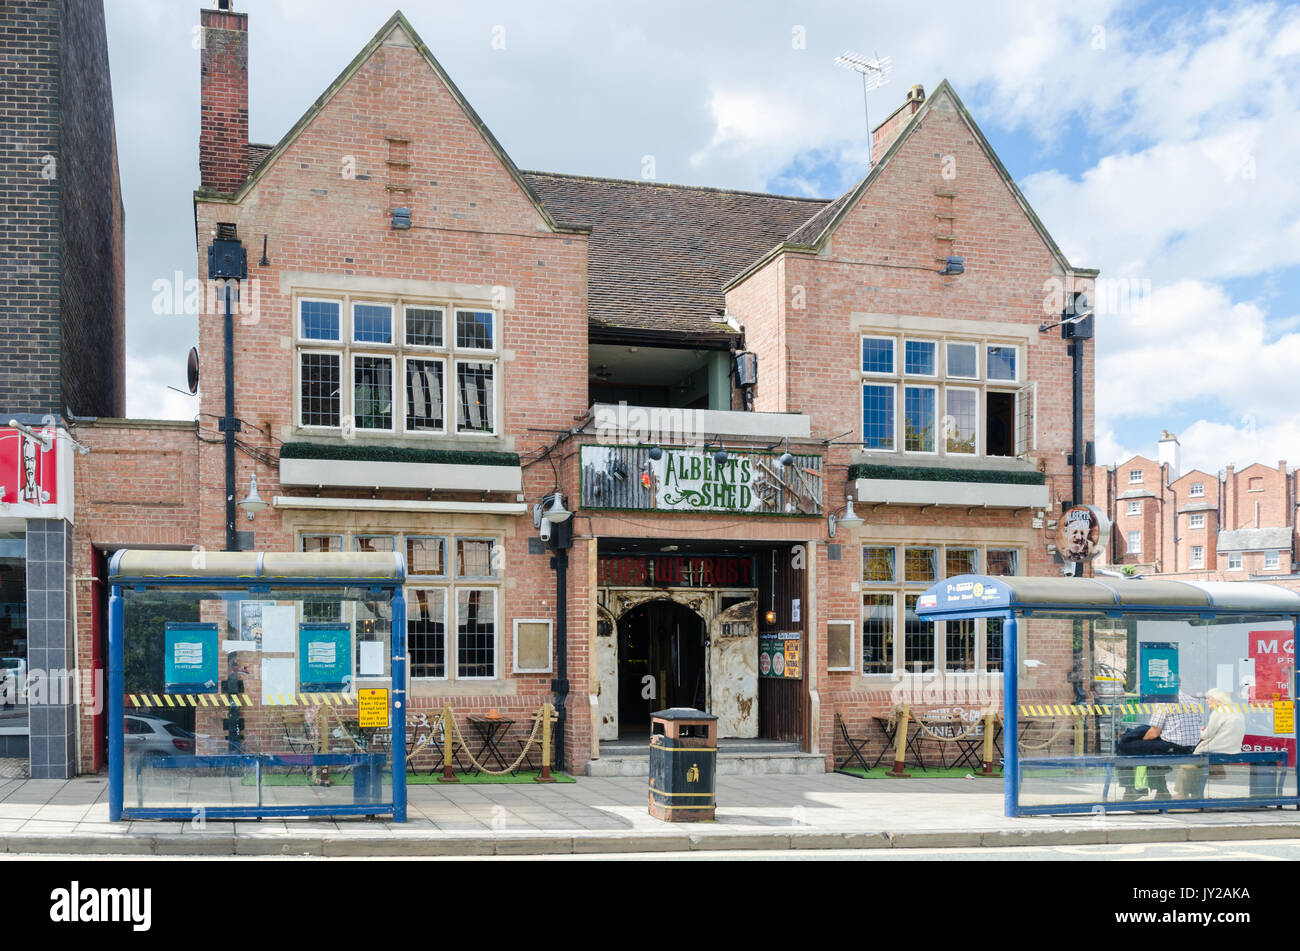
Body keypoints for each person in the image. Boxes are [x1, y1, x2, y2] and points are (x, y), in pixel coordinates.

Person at [1117, 689, 1204, 800]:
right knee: (1150, 749)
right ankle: (1161, 790)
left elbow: (1154, 732)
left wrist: (1143, 741)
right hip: (1190, 748)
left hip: (1172, 746)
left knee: (1124, 747)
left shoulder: (1165, 702)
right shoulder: (1193, 701)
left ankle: (1130, 789)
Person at [1175, 688, 1246, 798]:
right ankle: (1195, 794)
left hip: (1217, 750)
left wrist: (1198, 731)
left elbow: (1206, 735)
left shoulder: (1218, 712)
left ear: (1217, 700)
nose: (1207, 701)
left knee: (1187, 765)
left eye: (1209, 698)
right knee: (1195, 766)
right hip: (1233, 750)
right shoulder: (1236, 710)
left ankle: (1182, 795)